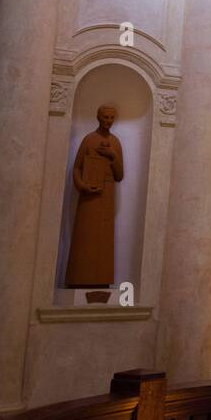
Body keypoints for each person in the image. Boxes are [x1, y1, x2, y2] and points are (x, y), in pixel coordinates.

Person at [65, 104, 124, 287]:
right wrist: (82, 185)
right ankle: (80, 278)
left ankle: (101, 280)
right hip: (89, 195)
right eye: (105, 117)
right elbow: (77, 168)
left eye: (111, 118)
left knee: (103, 239)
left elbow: (120, 175)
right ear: (99, 118)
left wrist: (112, 155)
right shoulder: (89, 139)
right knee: (85, 235)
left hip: (106, 194)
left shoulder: (115, 143)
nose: (108, 121)